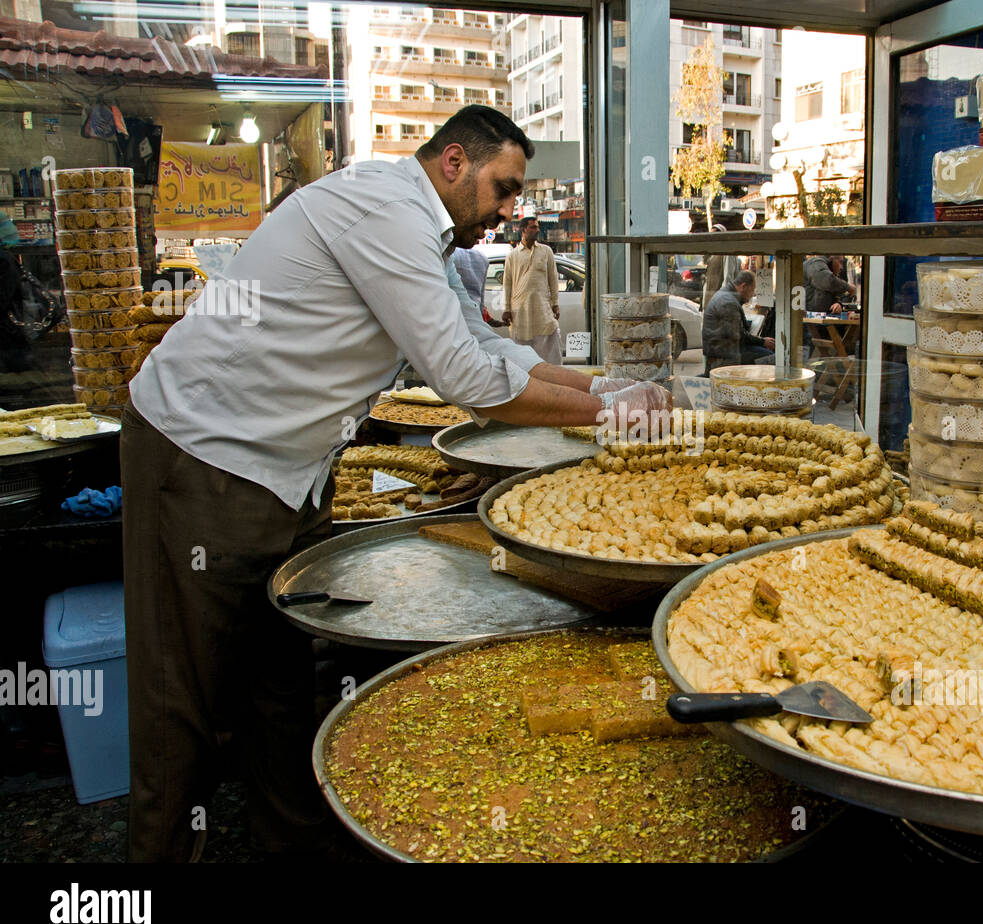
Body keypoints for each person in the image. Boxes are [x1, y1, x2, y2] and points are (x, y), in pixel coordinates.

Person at [120, 105, 668, 863]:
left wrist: (599, 386)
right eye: (503, 187)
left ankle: (290, 848)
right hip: (203, 453)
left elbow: (478, 341)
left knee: (279, 689)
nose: (510, 209)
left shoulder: (430, 231)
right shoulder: (387, 211)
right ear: (453, 162)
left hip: (294, 472)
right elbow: (467, 379)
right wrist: (606, 414)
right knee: (182, 702)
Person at [501, 216, 560, 362]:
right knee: (521, 348)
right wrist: (506, 309)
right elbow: (507, 283)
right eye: (533, 227)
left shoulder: (546, 251)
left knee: (550, 337)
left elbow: (553, 278)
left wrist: (555, 303)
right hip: (520, 310)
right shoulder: (513, 255)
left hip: (542, 308)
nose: (537, 230)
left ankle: (552, 376)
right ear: (523, 229)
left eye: (537, 227)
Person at [702, 270, 774, 374]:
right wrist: (762, 341)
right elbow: (738, 335)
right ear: (743, 286)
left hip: (723, 349)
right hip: (725, 354)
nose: (752, 294)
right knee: (771, 358)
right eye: (752, 290)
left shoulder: (726, 295)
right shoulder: (728, 302)